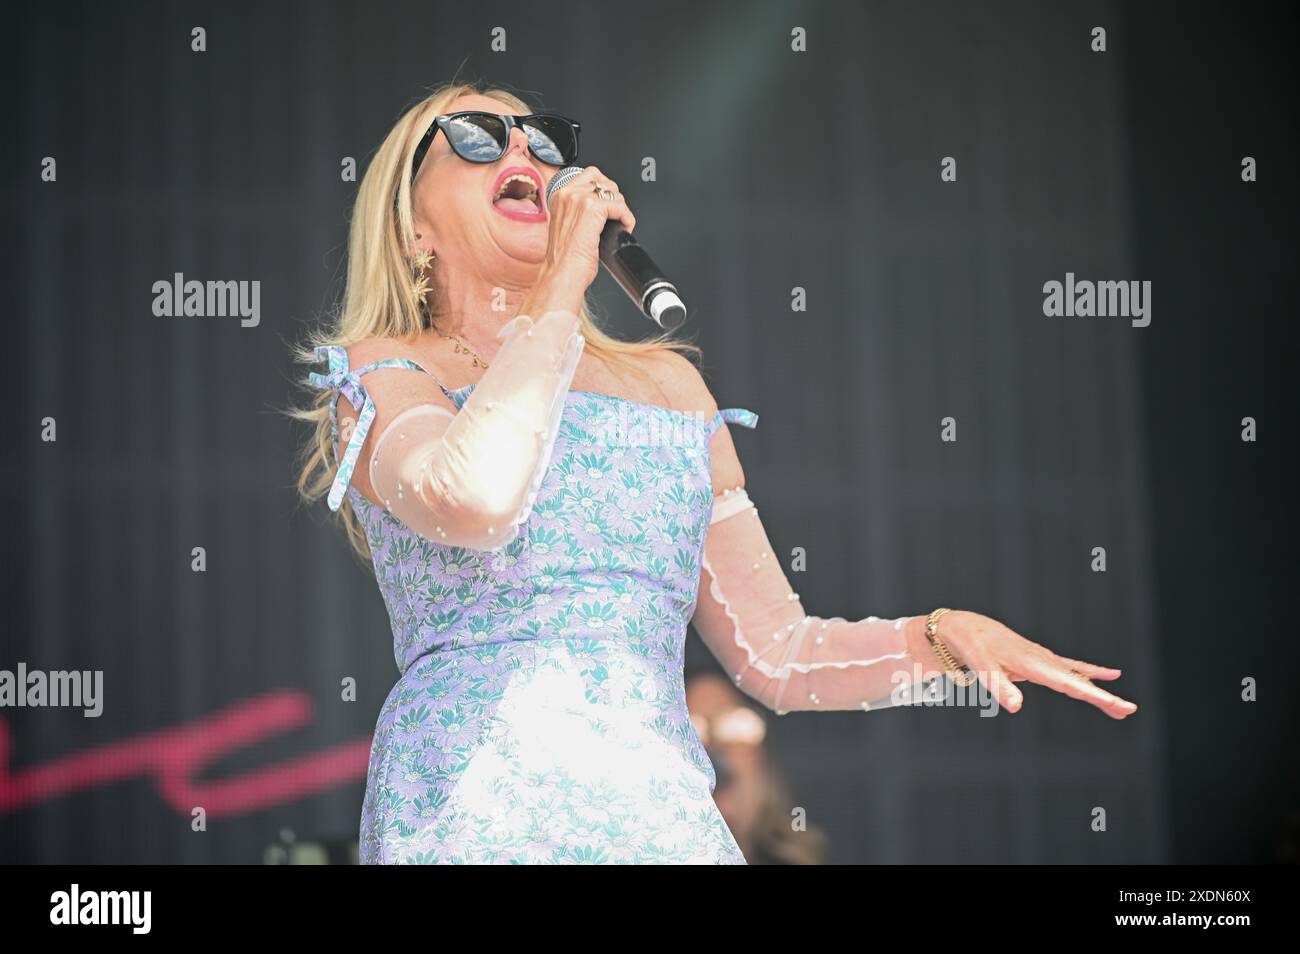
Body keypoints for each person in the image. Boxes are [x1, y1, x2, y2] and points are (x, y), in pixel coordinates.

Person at [295, 81, 1138, 865]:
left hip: (661, 818)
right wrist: (557, 292)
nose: (524, 153)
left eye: (543, 141)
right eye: (476, 138)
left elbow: (781, 654)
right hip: (475, 810)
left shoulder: (668, 389)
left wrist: (941, 638)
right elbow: (474, 498)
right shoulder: (382, 373)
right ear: (411, 225)